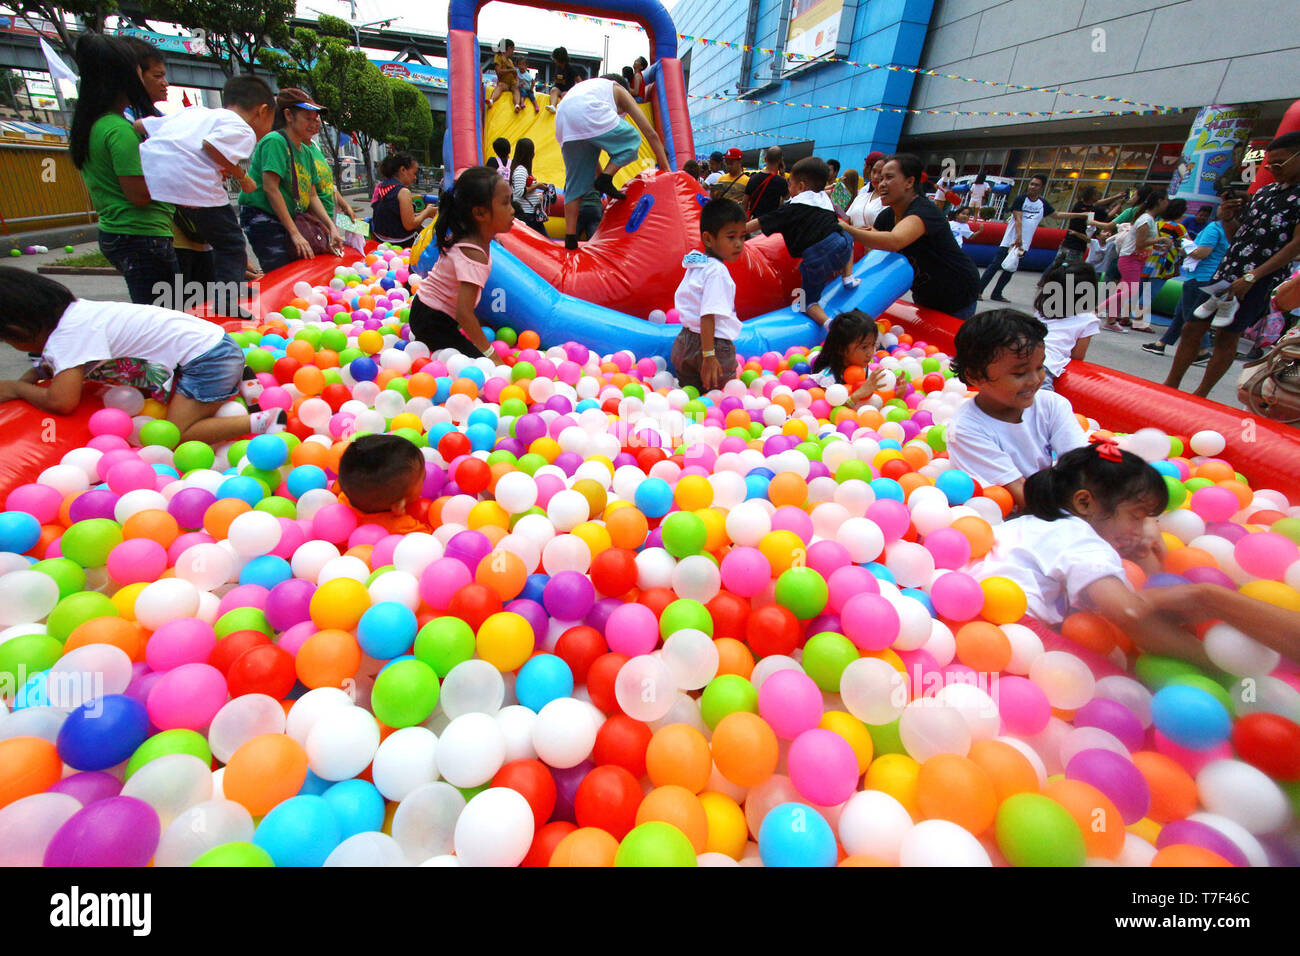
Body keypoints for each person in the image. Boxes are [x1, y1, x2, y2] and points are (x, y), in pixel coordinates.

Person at [971, 442, 1210, 667]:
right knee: (1117, 682)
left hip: (968, 614)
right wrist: (1207, 660)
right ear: (1084, 503)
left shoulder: (1028, 523)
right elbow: (1129, 612)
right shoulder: (1081, 536)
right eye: (1136, 517)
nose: (1139, 533)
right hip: (1014, 630)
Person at [0, 269, 284, 441]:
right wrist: (35, 374)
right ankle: (243, 380)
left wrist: (17, 388)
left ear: (17, 331)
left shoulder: (67, 337)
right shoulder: (78, 314)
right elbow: (51, 367)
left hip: (208, 360)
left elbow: (62, 402)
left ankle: (265, 420)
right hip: (215, 344)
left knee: (174, 435)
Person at [1164, 132, 1300, 398]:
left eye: (1280, 163)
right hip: (1227, 272)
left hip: (1259, 279)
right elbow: (1240, 237)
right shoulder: (1265, 191)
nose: (1273, 169)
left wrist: (1252, 277)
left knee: (1228, 333)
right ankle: (1170, 385)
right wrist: (1226, 219)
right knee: (1192, 326)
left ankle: (1200, 394)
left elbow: (1295, 246)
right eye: (1270, 165)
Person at [136, 74, 275, 315]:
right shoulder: (243, 129)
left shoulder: (196, 113)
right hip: (193, 184)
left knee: (216, 239)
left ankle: (231, 289)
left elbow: (140, 126)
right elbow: (212, 147)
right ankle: (227, 299)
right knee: (231, 242)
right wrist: (242, 177)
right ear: (263, 111)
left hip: (157, 180)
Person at [70, 35, 178, 305]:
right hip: (142, 237)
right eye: (141, 72)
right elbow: (139, 195)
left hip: (128, 235)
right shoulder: (119, 131)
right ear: (123, 78)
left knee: (160, 314)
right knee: (163, 319)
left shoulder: (97, 125)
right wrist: (180, 179)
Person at [946, 309, 1088, 508]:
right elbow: (1019, 493)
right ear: (976, 376)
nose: (1036, 380)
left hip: (1051, 500)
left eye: (1040, 367)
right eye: (1020, 373)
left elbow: (1084, 465)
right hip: (1012, 517)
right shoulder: (966, 429)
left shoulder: (1052, 404)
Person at [841, 153, 981, 320]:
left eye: (889, 177)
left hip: (957, 291)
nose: (881, 183)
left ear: (909, 182)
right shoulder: (886, 217)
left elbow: (895, 241)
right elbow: (875, 255)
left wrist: (848, 230)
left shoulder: (924, 211)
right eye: (880, 177)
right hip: (925, 291)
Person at [554, 74, 669, 250]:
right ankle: (606, 179)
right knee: (631, 141)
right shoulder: (618, 89)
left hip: (562, 116)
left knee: (575, 183)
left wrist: (605, 185)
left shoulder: (591, 89)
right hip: (585, 110)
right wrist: (668, 170)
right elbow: (650, 133)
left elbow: (592, 163)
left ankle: (570, 240)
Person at [408, 166, 513, 358]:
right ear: (480, 213)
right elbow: (464, 313)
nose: (513, 210)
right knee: (481, 365)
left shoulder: (470, 238)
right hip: (432, 321)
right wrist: (491, 356)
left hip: (426, 310)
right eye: (505, 204)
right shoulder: (473, 253)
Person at [238, 88, 342, 273]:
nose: (314, 123)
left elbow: (312, 195)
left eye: (316, 119)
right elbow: (271, 189)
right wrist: (295, 234)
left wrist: (331, 227)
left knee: (303, 268)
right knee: (283, 271)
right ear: (288, 115)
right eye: (308, 118)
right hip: (264, 216)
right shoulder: (276, 141)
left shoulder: (307, 151)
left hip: (289, 218)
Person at [744, 156, 854, 328]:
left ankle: (830, 324)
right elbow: (822, 191)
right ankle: (848, 277)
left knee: (807, 303)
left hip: (817, 257)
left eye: (790, 184)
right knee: (847, 235)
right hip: (843, 247)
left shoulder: (792, 209)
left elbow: (761, 221)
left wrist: (738, 230)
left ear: (801, 186)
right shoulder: (825, 201)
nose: (788, 188)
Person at [669, 198, 745, 393]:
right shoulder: (717, 271)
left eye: (742, 237)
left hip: (684, 343)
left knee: (691, 397)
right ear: (708, 239)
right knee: (719, 398)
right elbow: (708, 315)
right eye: (731, 237)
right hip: (713, 346)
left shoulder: (698, 262)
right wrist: (709, 356)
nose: (738, 244)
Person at [978, 174, 1062, 302]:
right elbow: (1018, 219)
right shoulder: (1021, 199)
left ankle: (997, 293)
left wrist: (1081, 215)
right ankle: (978, 290)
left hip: (1024, 244)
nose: (1033, 187)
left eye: (1036, 185)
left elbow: (1057, 215)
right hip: (1010, 240)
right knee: (995, 265)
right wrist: (1018, 237)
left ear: (1042, 187)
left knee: (1010, 268)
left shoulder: (1042, 203)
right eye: (1032, 184)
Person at [1098, 187, 1168, 333]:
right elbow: (1140, 243)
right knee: (1128, 291)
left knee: (1123, 290)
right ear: (1160, 201)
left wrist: (1156, 244)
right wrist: (1160, 240)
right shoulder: (1146, 219)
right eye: (1166, 200)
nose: (1167, 203)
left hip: (1136, 259)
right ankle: (1095, 312)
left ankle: (1111, 321)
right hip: (1131, 260)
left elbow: (1142, 242)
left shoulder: (1148, 219)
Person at [337, 435, 433, 534]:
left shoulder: (343, 497)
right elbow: (430, 540)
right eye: (423, 478)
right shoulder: (404, 528)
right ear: (399, 507)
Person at [1034, 260, 1099, 390]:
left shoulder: (1042, 311)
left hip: (1024, 354)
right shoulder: (1088, 320)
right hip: (1045, 364)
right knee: (1044, 405)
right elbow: (1077, 356)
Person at [809, 309, 886, 404]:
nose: (870, 352)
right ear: (841, 349)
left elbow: (883, 399)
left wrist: (899, 394)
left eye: (873, 344)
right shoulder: (828, 380)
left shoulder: (868, 372)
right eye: (864, 347)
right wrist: (856, 396)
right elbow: (830, 411)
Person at [1046, 184, 1125, 272]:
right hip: (1078, 245)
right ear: (1092, 196)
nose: (1098, 196)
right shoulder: (1095, 211)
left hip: (1067, 241)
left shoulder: (1079, 205)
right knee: (1071, 268)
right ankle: (1067, 284)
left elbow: (1098, 202)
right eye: (1096, 194)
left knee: (1056, 264)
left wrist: (1116, 197)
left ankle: (1044, 281)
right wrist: (1120, 204)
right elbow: (1108, 216)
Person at [370, 151, 437, 246]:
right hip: (400, 243)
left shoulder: (380, 187)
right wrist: (427, 212)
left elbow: (391, 214)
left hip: (380, 239)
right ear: (403, 170)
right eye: (414, 173)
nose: (415, 177)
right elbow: (409, 225)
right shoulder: (403, 192)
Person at [510, 137, 549, 235]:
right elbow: (520, 192)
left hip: (530, 214)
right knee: (544, 241)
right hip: (527, 214)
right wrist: (537, 186)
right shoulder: (521, 170)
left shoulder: (521, 169)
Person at [744, 145, 788, 219]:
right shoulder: (781, 182)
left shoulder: (753, 178)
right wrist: (782, 174)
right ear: (780, 161)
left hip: (754, 223)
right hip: (771, 223)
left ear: (765, 159)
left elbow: (744, 203)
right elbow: (786, 199)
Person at [845, 152, 886, 228]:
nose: (876, 176)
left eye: (880, 173)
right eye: (874, 171)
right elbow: (847, 219)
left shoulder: (889, 202)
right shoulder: (861, 196)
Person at [487, 38, 522, 112]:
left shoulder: (510, 61)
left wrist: (511, 69)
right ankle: (491, 100)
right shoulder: (498, 57)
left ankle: (517, 105)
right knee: (500, 86)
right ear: (509, 48)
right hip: (504, 83)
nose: (513, 52)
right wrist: (511, 70)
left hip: (512, 83)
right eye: (513, 49)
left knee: (516, 89)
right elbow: (499, 72)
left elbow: (515, 74)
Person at [547, 47, 578, 112]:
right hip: (559, 88)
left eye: (555, 59)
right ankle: (552, 105)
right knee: (553, 90)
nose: (554, 60)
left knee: (564, 94)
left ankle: (562, 106)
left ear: (559, 59)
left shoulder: (570, 68)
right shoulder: (558, 67)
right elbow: (556, 78)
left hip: (567, 90)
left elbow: (579, 80)